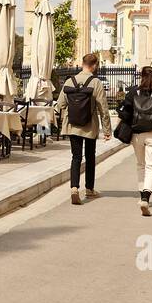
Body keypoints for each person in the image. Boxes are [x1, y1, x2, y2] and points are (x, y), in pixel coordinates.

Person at [55, 53, 112, 205]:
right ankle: (89, 189)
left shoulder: (70, 81)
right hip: (89, 125)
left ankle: (74, 188)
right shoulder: (96, 83)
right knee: (90, 157)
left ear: (82, 64)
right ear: (94, 65)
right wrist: (107, 130)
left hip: (72, 124)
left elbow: (60, 104)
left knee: (76, 157)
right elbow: (103, 108)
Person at [118, 65, 152, 216]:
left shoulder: (134, 92)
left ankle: (142, 197)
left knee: (141, 165)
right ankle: (146, 198)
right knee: (151, 167)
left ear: (141, 76)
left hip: (137, 134)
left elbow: (125, 112)